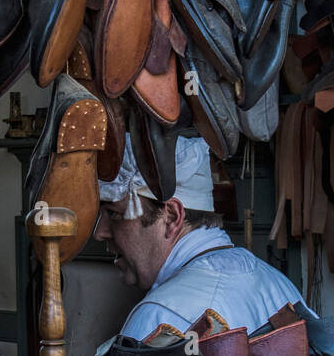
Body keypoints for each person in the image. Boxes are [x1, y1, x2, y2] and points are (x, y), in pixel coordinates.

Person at [95, 133, 306, 340]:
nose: (99, 233)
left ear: (171, 217)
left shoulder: (162, 318)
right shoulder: (280, 286)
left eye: (115, 214)